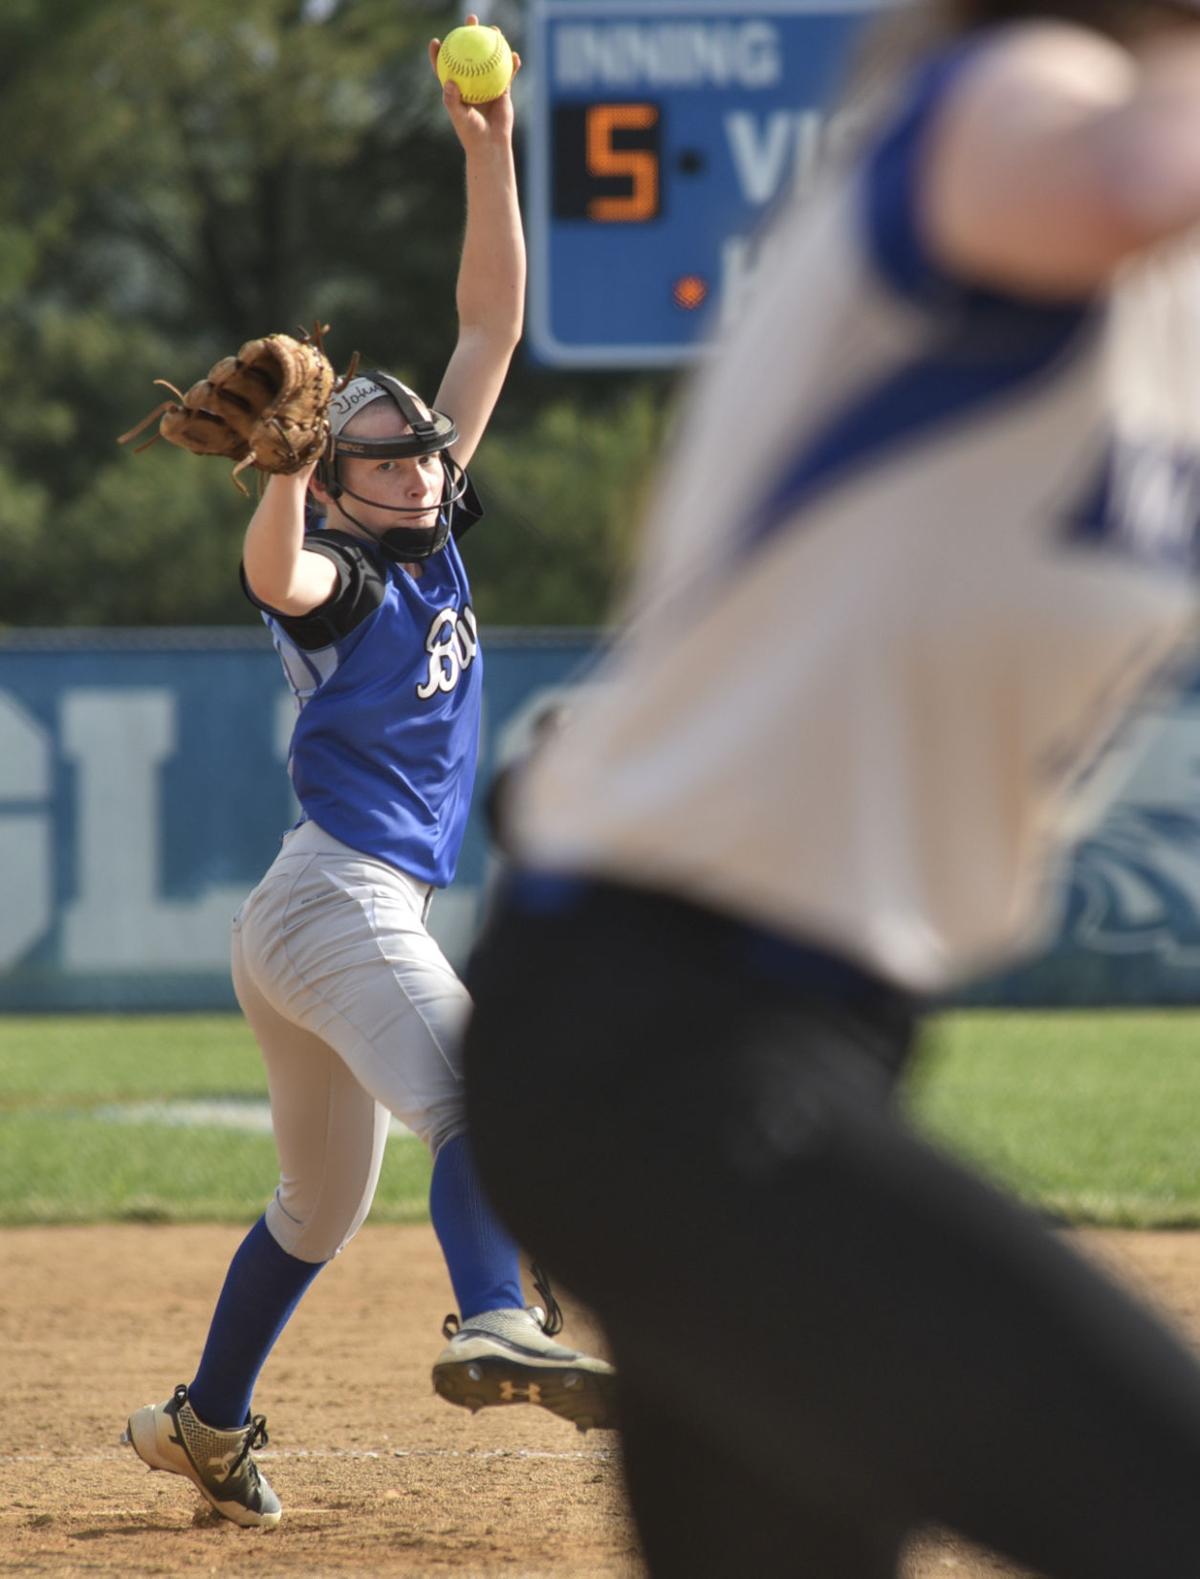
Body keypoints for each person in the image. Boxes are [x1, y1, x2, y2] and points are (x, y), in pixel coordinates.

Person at [460, 3, 1200, 1576]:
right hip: (654, 1045)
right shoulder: (1022, 97)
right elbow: (1130, 177)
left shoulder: (1167, 319)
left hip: (788, 1047)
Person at [123, 19, 613, 1532]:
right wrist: (281, 471)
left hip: (309, 918)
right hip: (336, 903)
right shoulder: (333, 570)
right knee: (485, 1097)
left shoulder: (431, 522)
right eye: (382, 453)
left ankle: (204, 1422)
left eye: (419, 449)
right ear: (334, 477)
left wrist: (497, 152)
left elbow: (495, 315)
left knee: (317, 1208)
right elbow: (270, 569)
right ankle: (488, 1315)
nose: (415, 462)